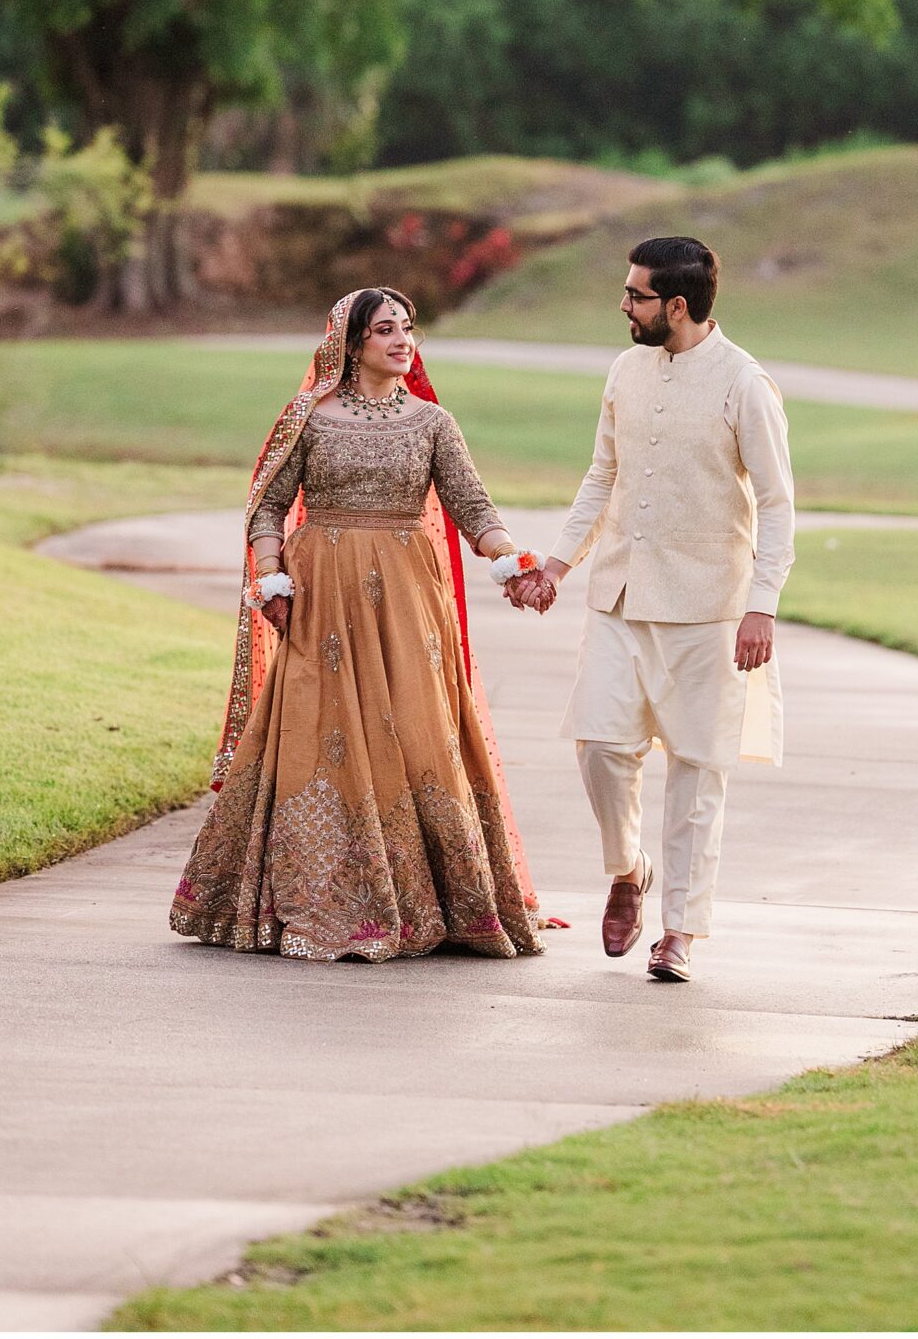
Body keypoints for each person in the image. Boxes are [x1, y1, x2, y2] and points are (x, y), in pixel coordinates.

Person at [170, 286, 551, 963]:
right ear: (351, 344)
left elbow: (474, 508)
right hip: (323, 598)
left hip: (409, 598)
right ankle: (319, 900)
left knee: (415, 732)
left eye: (408, 328)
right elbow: (267, 508)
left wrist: (512, 561)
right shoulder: (307, 419)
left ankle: (432, 904)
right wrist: (271, 577)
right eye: (385, 330)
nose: (403, 341)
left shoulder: (434, 423)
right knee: (322, 737)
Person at [538, 236, 796, 984]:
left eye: (635, 296)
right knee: (599, 747)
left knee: (697, 770)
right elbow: (603, 475)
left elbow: (777, 504)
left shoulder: (744, 384)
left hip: (709, 608)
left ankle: (680, 931)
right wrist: (558, 562)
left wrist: (763, 606)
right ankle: (627, 870)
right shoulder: (625, 369)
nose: (623, 305)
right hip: (619, 595)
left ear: (676, 306)